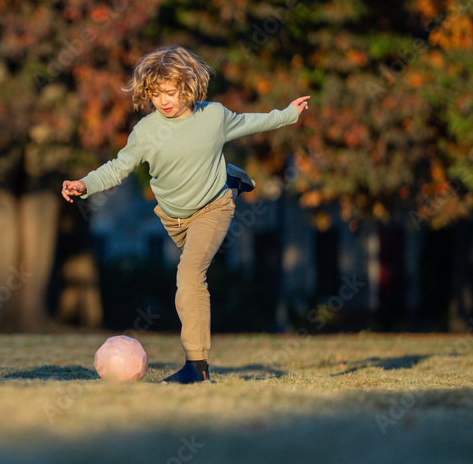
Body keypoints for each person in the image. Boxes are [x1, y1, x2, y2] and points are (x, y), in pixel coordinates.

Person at [62, 45, 310, 383]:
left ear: (188, 87)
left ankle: (197, 368)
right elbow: (118, 169)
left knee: (190, 276)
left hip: (213, 207)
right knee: (189, 271)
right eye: (155, 94)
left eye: (171, 92)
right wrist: (85, 184)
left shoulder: (213, 117)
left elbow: (253, 123)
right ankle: (230, 175)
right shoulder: (147, 132)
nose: (163, 100)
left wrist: (288, 114)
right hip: (173, 218)